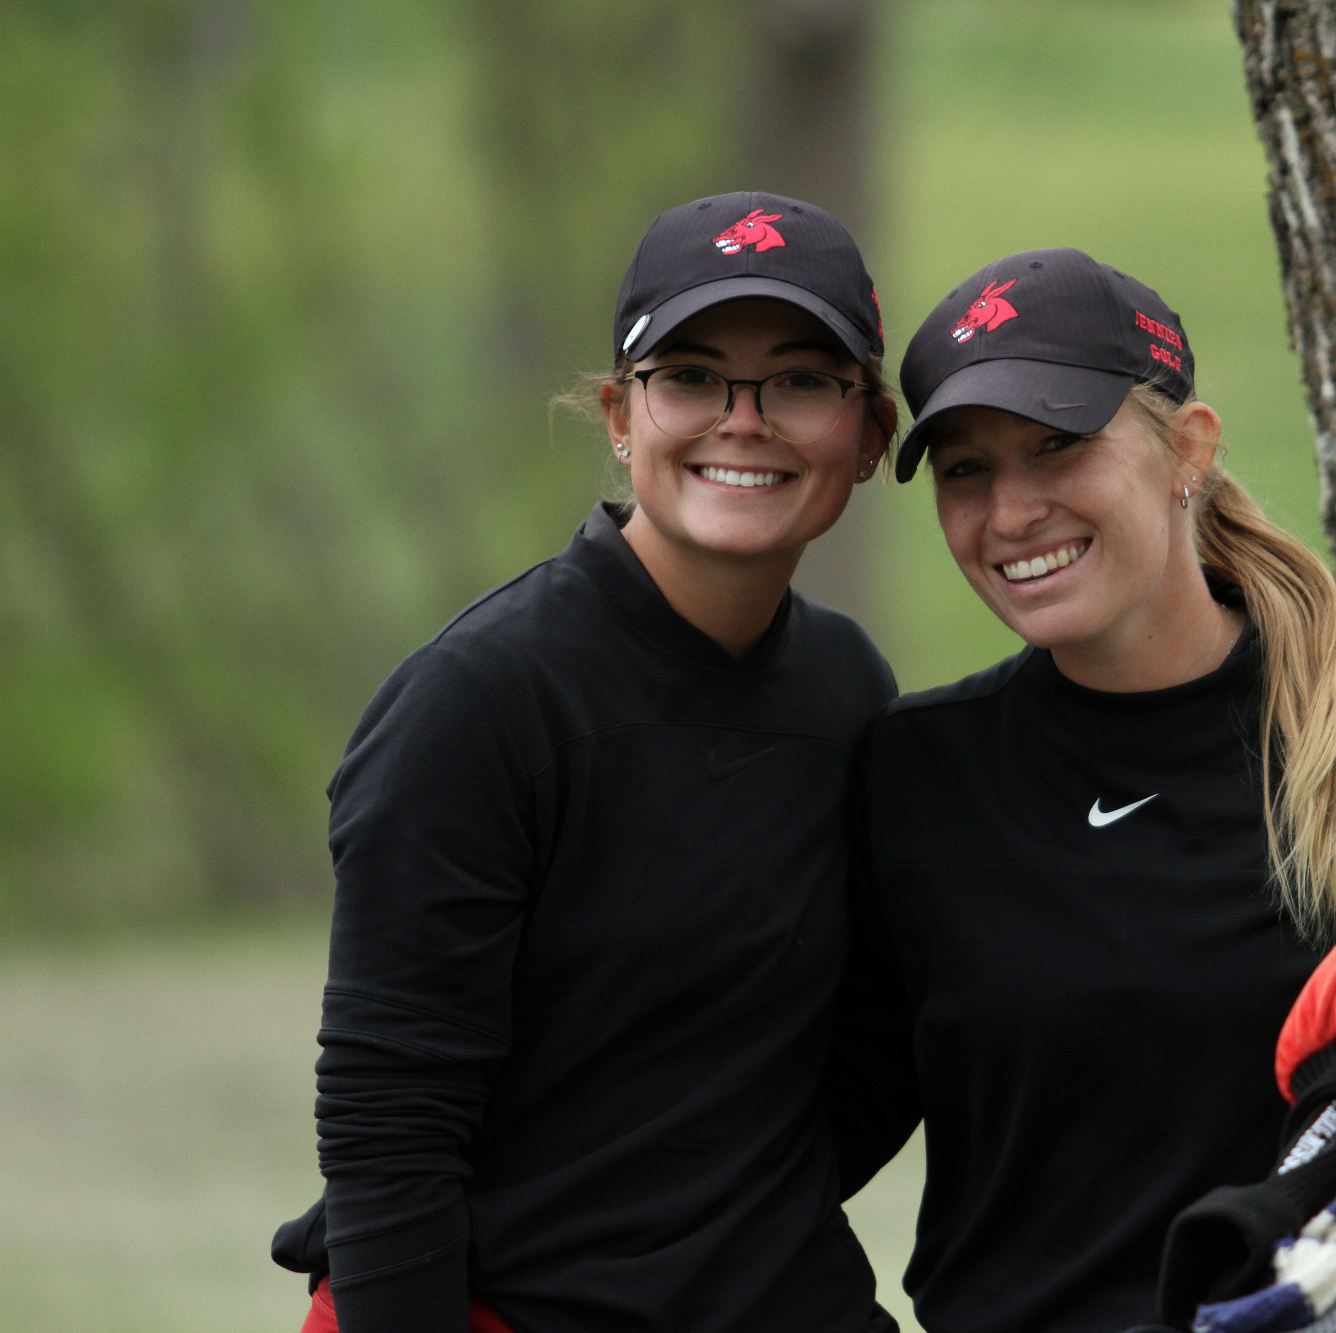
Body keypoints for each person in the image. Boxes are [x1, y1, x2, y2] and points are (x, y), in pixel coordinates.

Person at [825, 249, 1336, 1333]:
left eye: (1056, 446)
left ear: (1187, 451)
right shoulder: (918, 772)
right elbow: (814, 1130)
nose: (1009, 510)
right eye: (965, 469)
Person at [271, 192, 902, 1333]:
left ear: (867, 434)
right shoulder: (479, 701)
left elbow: (851, 1064)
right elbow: (387, 1125)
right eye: (691, 376)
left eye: (803, 381)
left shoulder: (847, 691)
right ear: (621, 413)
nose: (741, 420)